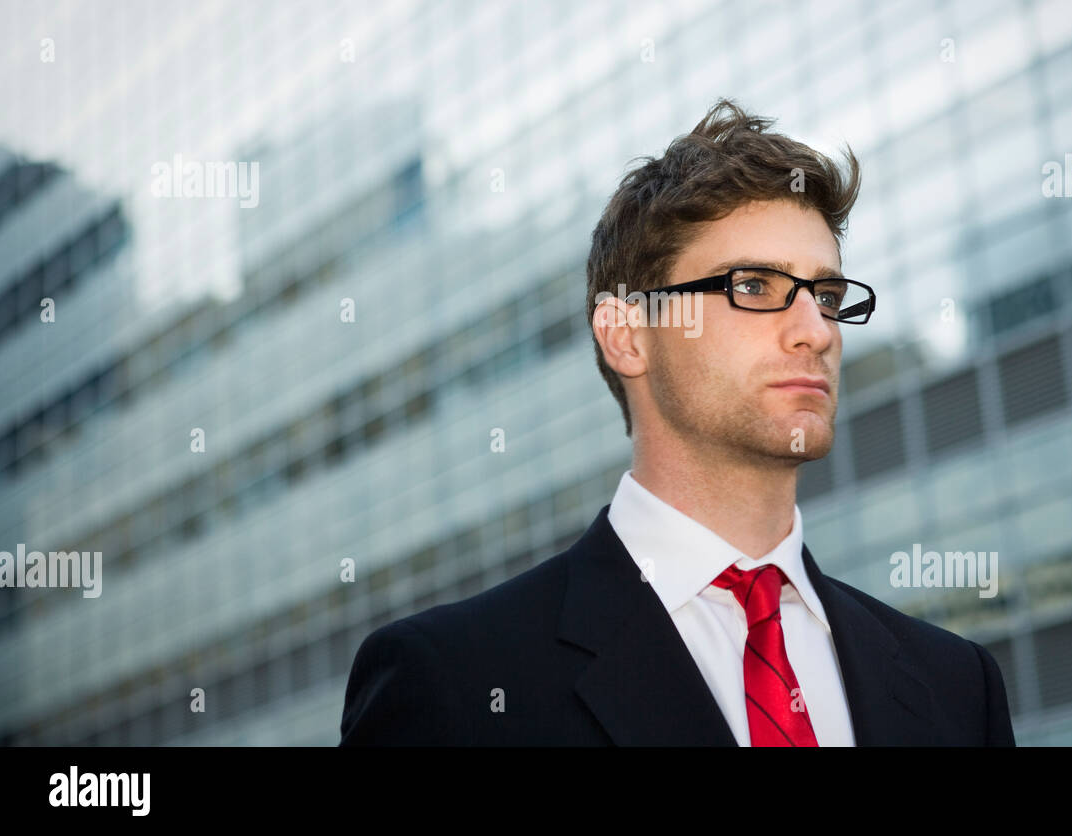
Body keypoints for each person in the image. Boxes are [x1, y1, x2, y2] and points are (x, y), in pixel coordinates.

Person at [339, 98, 1015, 746]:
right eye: (753, 287)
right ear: (628, 336)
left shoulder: (956, 686)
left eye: (827, 294)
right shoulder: (455, 682)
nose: (816, 330)